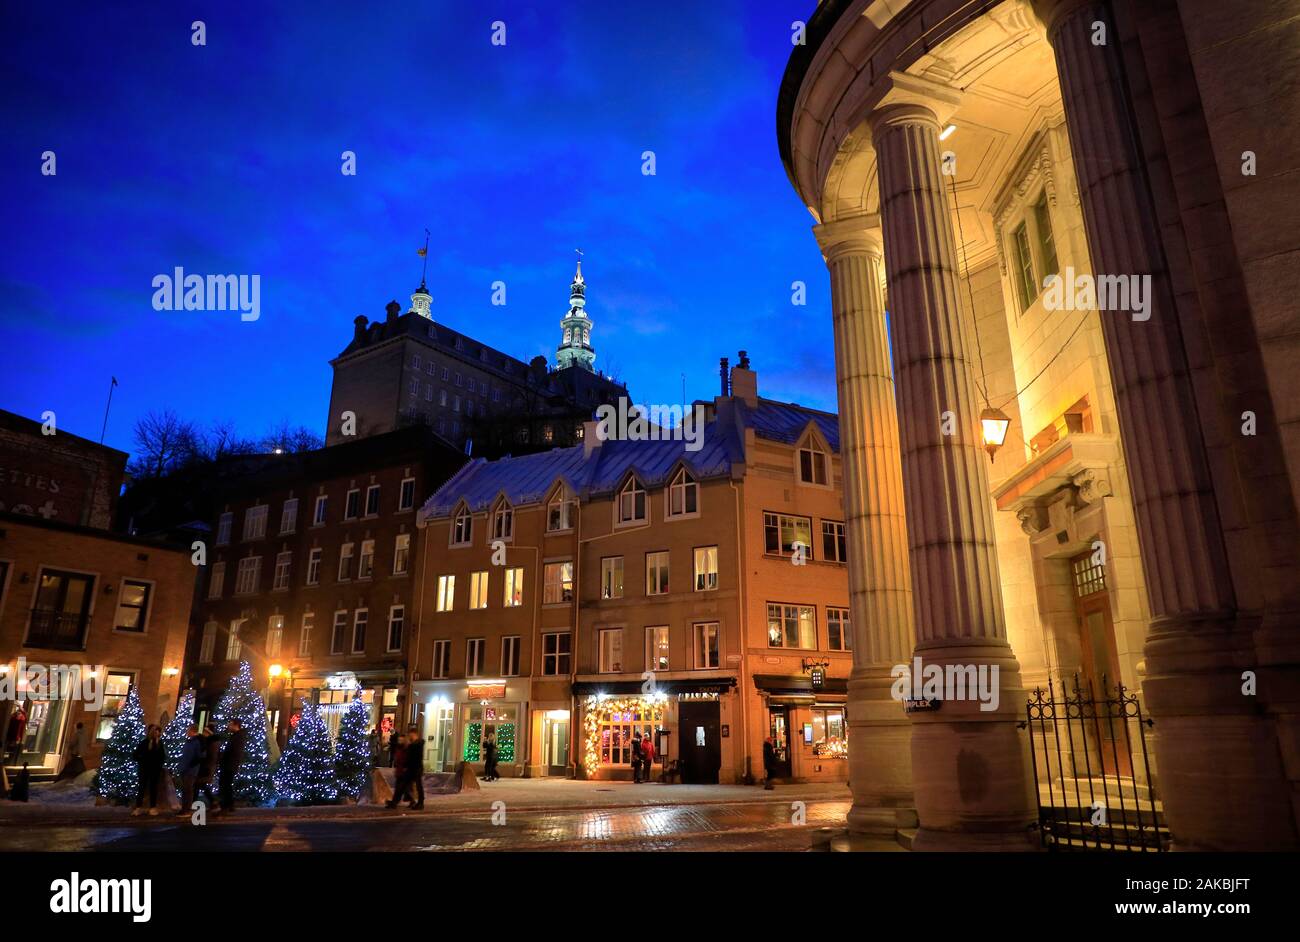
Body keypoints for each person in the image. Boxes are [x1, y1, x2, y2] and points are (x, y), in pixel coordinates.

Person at [388, 727, 425, 810]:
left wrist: (406, 765)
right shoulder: (414, 744)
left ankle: (420, 802)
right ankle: (395, 802)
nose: (409, 736)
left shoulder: (417, 744)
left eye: (410, 734)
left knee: (416, 786)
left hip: (415, 768)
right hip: (412, 768)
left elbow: (415, 757)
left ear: (414, 734)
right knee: (403, 785)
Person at [133, 724, 165, 815]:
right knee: (142, 788)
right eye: (155, 732)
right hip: (144, 769)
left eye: (158, 732)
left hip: (154, 770)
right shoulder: (144, 742)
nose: (157, 734)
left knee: (153, 789)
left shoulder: (159, 743)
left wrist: (159, 765)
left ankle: (152, 807)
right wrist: (142, 760)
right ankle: (138, 807)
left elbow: (162, 756)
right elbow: (135, 755)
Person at [216, 719, 245, 814]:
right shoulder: (236, 736)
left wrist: (224, 758)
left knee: (225, 785)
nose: (228, 726)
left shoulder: (238, 737)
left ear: (236, 725)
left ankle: (226, 806)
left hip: (229, 765)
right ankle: (229, 805)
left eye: (230, 725)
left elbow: (234, 752)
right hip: (229, 764)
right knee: (227, 785)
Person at [176, 725, 204, 813]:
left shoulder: (197, 742)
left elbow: (199, 756)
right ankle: (184, 807)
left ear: (192, 731)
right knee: (185, 789)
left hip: (190, 770)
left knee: (188, 789)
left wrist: (191, 765)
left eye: (188, 730)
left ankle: (186, 809)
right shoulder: (190, 742)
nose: (186, 732)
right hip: (185, 768)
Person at [194, 726, 219, 808]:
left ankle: (212, 802)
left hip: (206, 767)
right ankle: (213, 802)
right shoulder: (212, 742)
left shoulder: (210, 743)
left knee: (198, 784)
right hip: (208, 766)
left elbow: (209, 756)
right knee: (200, 785)